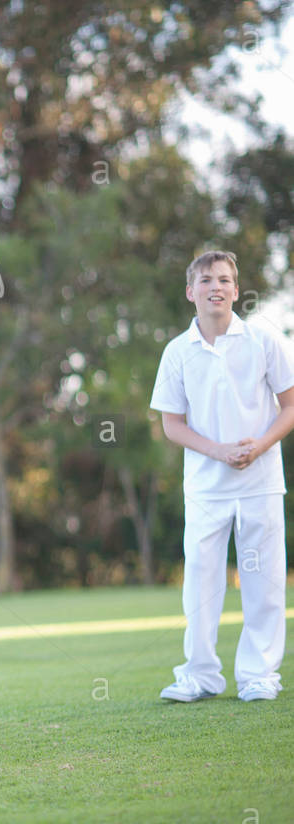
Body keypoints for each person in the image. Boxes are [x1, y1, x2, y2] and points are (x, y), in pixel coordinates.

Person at [150, 250, 294, 703]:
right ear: (191, 291)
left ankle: (259, 677)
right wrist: (218, 451)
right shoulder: (177, 351)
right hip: (206, 490)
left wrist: (260, 445)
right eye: (207, 279)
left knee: (264, 582)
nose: (217, 286)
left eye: (226, 279)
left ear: (235, 290)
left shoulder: (264, 341)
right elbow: (171, 424)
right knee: (201, 586)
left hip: (261, 483)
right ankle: (200, 676)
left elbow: (289, 407)